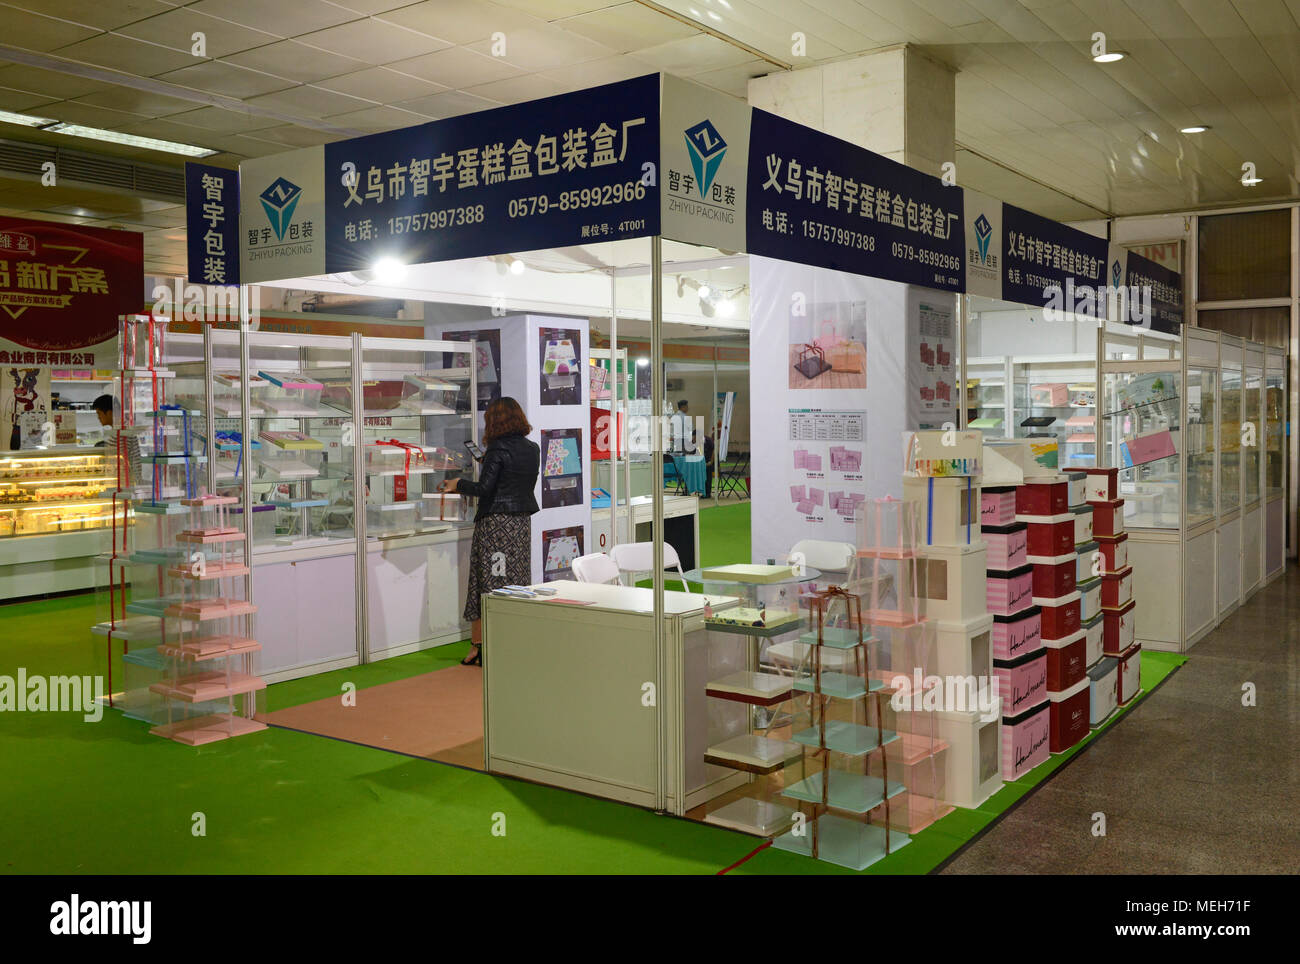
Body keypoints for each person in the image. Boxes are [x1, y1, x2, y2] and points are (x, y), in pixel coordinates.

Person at [438, 396, 539, 666]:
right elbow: (514, 481)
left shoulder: (497, 450)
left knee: (488, 584)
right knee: (515, 582)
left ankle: (482, 646)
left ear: (493, 422)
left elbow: (485, 490)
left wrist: (458, 483)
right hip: (520, 525)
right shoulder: (532, 448)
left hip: (496, 526)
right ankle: (511, 641)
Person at [92, 395, 141, 485]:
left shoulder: (122, 432)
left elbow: (119, 462)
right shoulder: (119, 430)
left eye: (99, 413)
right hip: (123, 483)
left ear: (110, 413)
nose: (98, 417)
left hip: (124, 485)